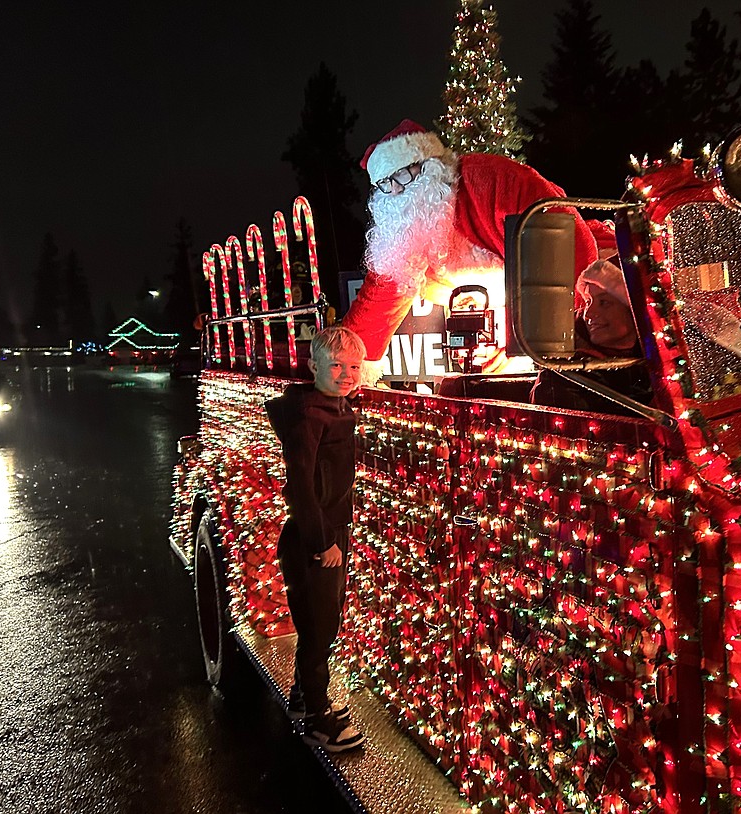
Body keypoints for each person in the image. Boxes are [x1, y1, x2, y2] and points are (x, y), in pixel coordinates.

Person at [343, 119, 597, 373]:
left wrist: (520, 340)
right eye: (386, 183)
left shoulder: (493, 181)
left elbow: (563, 250)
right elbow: (380, 296)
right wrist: (348, 359)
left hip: (530, 326)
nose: (397, 190)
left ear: (430, 165)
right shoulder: (404, 229)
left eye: (402, 174)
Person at [264, 326, 367, 754]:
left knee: (323, 622)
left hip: (330, 532)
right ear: (313, 368)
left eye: (354, 367)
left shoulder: (338, 406)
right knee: (319, 627)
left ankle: (305, 697)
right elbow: (301, 487)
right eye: (336, 366)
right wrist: (323, 541)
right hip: (315, 539)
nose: (346, 374)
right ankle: (316, 719)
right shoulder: (308, 414)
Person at [530, 260, 653, 415]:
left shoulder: (661, 362)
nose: (588, 313)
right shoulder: (564, 374)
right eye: (588, 301)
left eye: (604, 302)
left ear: (633, 309)